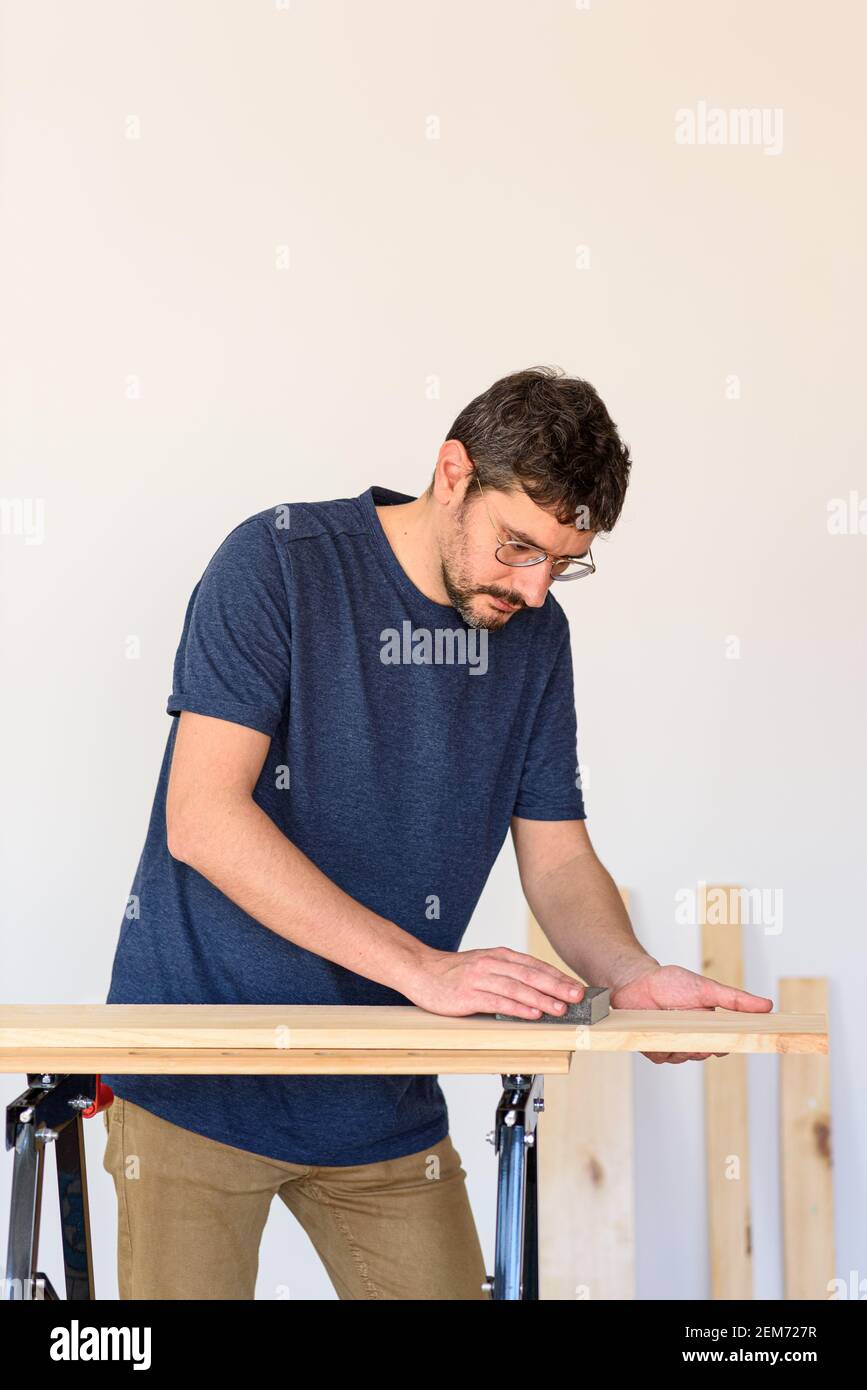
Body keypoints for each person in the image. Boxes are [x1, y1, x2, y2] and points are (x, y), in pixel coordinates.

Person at [101, 364, 772, 1300]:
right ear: (452, 471)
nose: (535, 589)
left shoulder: (536, 639)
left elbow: (559, 854)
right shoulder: (278, 563)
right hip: (200, 1075)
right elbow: (203, 818)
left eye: (561, 562)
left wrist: (626, 973)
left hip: (380, 1096)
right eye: (516, 547)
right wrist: (421, 967)